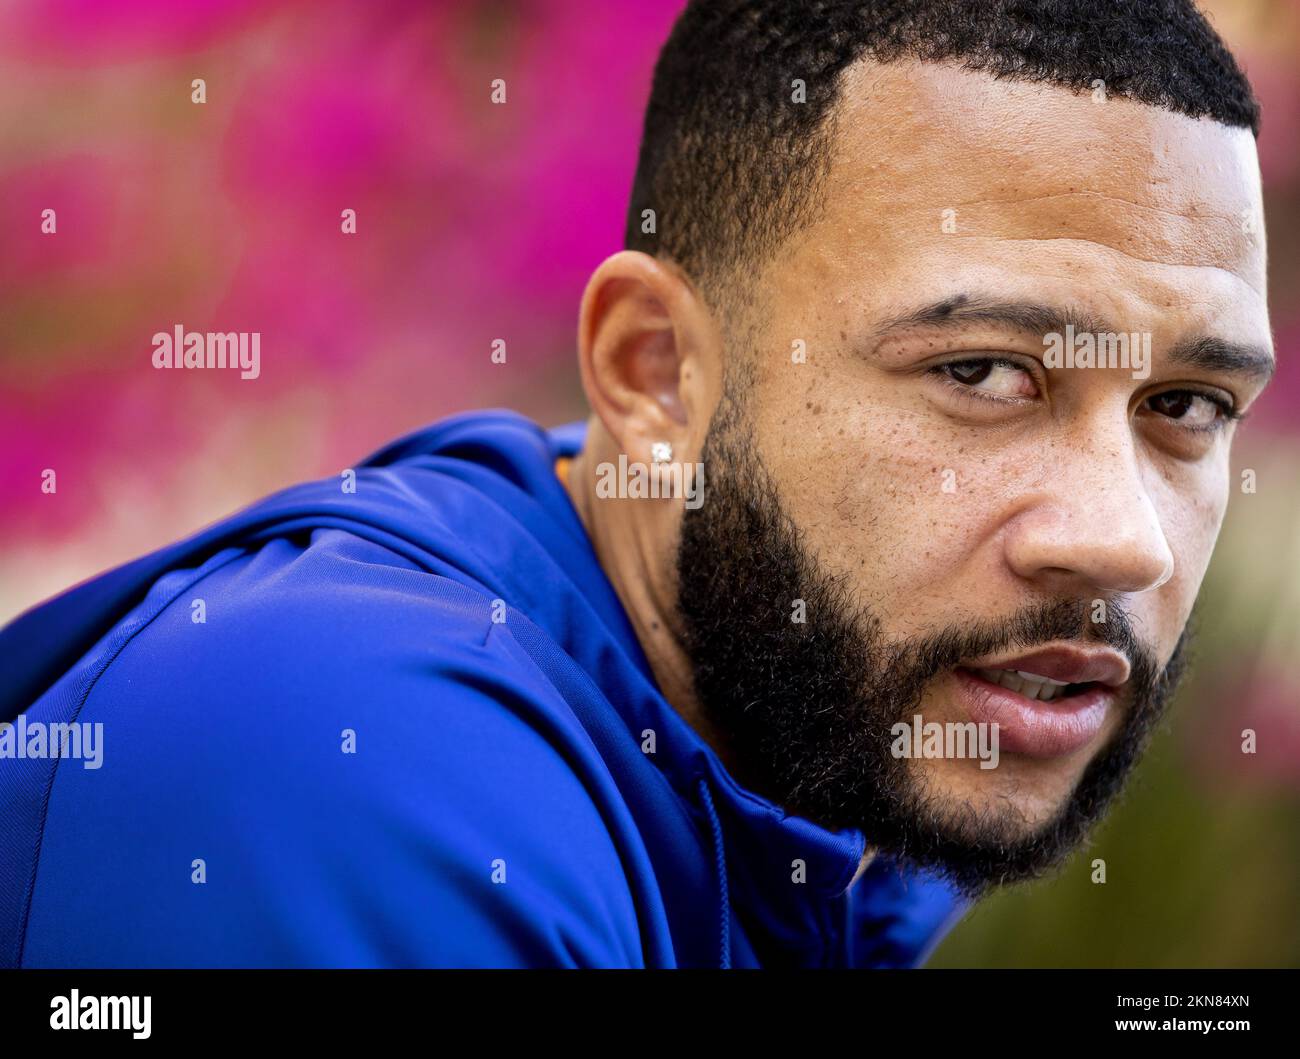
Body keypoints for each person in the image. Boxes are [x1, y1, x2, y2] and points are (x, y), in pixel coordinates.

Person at [0, 0, 1274, 968]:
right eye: (985, 373)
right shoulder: (345, 775)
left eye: (1185, 407)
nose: (1121, 542)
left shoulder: (821, 794)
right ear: (655, 376)